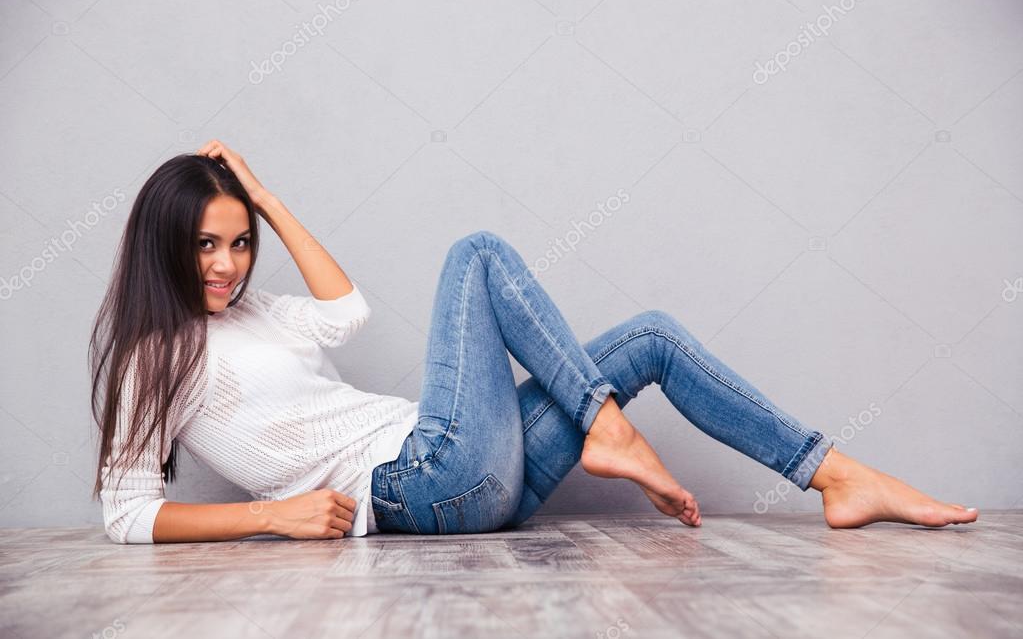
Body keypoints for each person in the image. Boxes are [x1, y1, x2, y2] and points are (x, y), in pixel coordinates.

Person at [91, 140, 979, 544]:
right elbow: (126, 513)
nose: (229, 264)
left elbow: (345, 312)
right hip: (421, 483)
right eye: (207, 243)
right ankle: (608, 430)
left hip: (471, 474)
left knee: (649, 337)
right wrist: (272, 515)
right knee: (476, 254)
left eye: (239, 242)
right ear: (161, 240)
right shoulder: (150, 360)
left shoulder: (252, 313)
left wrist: (267, 200)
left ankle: (836, 478)